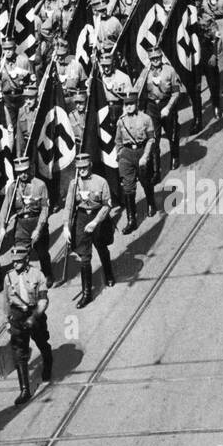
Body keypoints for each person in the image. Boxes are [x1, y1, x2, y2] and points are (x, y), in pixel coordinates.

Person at [60, 153, 114, 308]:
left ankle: (108, 274)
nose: (82, 170)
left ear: (90, 165)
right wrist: (65, 226)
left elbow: (107, 205)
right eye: (79, 168)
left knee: (102, 248)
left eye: (84, 167)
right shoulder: (74, 183)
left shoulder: (101, 181)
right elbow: (69, 206)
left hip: (98, 217)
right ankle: (86, 293)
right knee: (84, 256)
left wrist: (96, 222)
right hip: (82, 218)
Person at [4, 243, 52, 405]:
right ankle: (24, 389)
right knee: (19, 352)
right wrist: (8, 320)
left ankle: (48, 361)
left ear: (26, 259)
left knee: (41, 341)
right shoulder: (9, 277)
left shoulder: (37, 275)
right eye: (13, 261)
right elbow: (6, 301)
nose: (15, 263)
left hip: (34, 312)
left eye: (18, 260)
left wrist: (35, 316)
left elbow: (44, 299)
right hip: (17, 315)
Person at [115, 89, 157, 230]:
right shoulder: (121, 121)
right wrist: (120, 154)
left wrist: (145, 156)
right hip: (126, 155)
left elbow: (151, 138)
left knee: (145, 181)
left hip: (141, 151)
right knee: (128, 188)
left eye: (131, 104)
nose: (128, 107)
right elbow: (118, 141)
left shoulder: (146, 118)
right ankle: (131, 219)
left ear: (137, 103)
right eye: (126, 104)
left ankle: (151, 203)